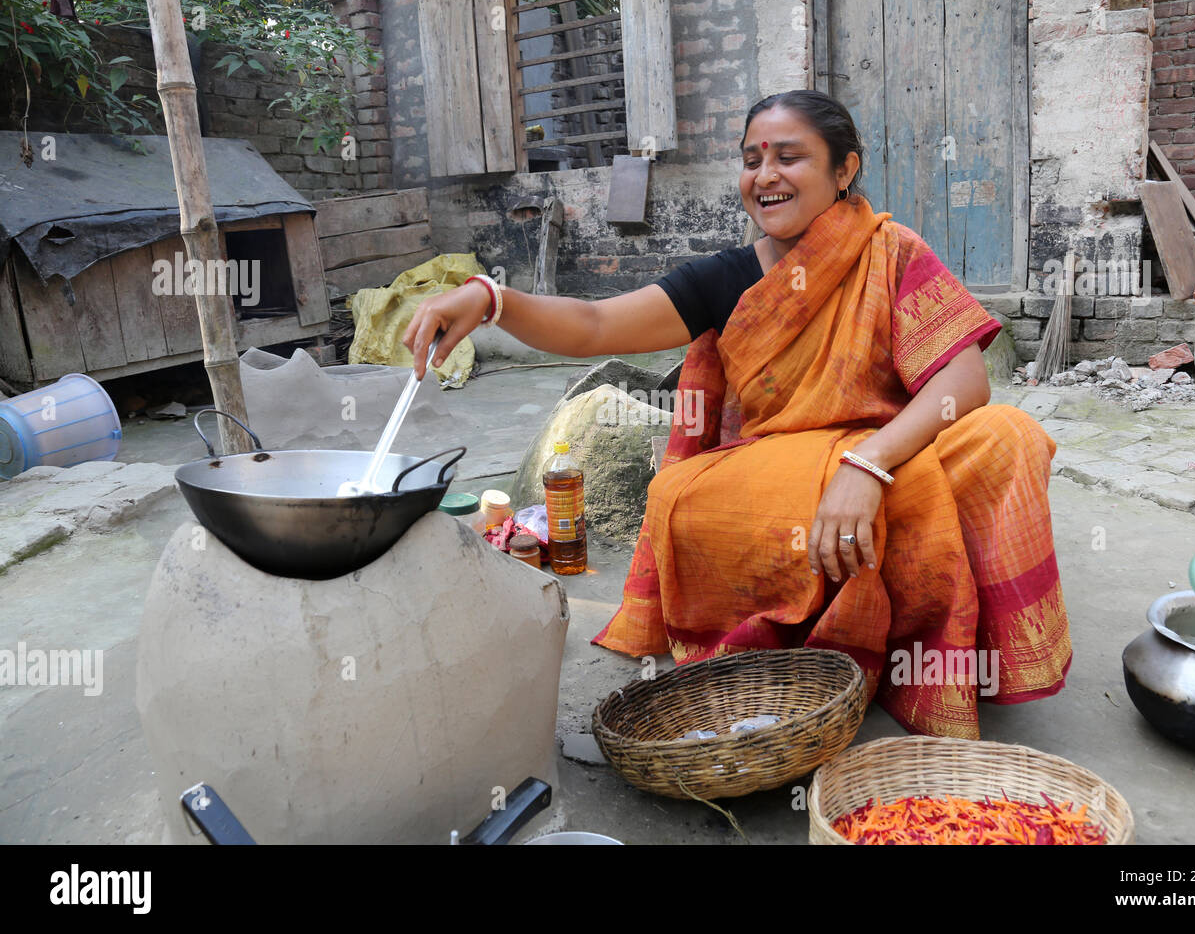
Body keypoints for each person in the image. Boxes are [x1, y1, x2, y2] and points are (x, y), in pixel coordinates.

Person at [403, 90, 1071, 739]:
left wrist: (866, 465)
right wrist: (490, 299)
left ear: (845, 169)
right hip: (772, 486)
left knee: (1006, 436)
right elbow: (592, 324)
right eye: (752, 159)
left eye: (789, 157)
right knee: (682, 499)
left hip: (883, 465)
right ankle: (843, 621)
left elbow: (964, 380)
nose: (766, 175)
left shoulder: (890, 253)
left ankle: (902, 630)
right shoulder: (722, 278)